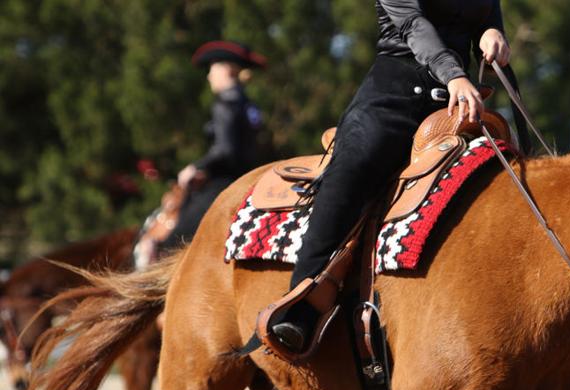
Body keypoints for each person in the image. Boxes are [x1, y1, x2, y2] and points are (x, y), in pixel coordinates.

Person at [273, 0, 511, 353]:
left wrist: (493, 33)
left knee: (513, 173)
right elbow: (412, 24)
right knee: (354, 167)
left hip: (459, 102)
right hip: (397, 91)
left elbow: (485, 15)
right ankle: (301, 304)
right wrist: (455, 74)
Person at [158, 40, 266, 252]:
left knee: (172, 245)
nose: (209, 76)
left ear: (226, 69)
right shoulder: (248, 104)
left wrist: (196, 167)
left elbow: (224, 150)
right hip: (250, 181)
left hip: (224, 185)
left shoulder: (225, 104)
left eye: (212, 69)